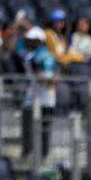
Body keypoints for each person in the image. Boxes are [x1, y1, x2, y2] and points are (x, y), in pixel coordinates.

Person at [20, 27, 57, 159]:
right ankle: (34, 153)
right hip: (39, 95)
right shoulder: (48, 55)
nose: (28, 42)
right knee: (35, 125)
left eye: (31, 40)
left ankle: (36, 153)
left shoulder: (36, 56)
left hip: (40, 96)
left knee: (40, 126)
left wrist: (47, 79)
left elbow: (46, 75)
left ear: (39, 41)